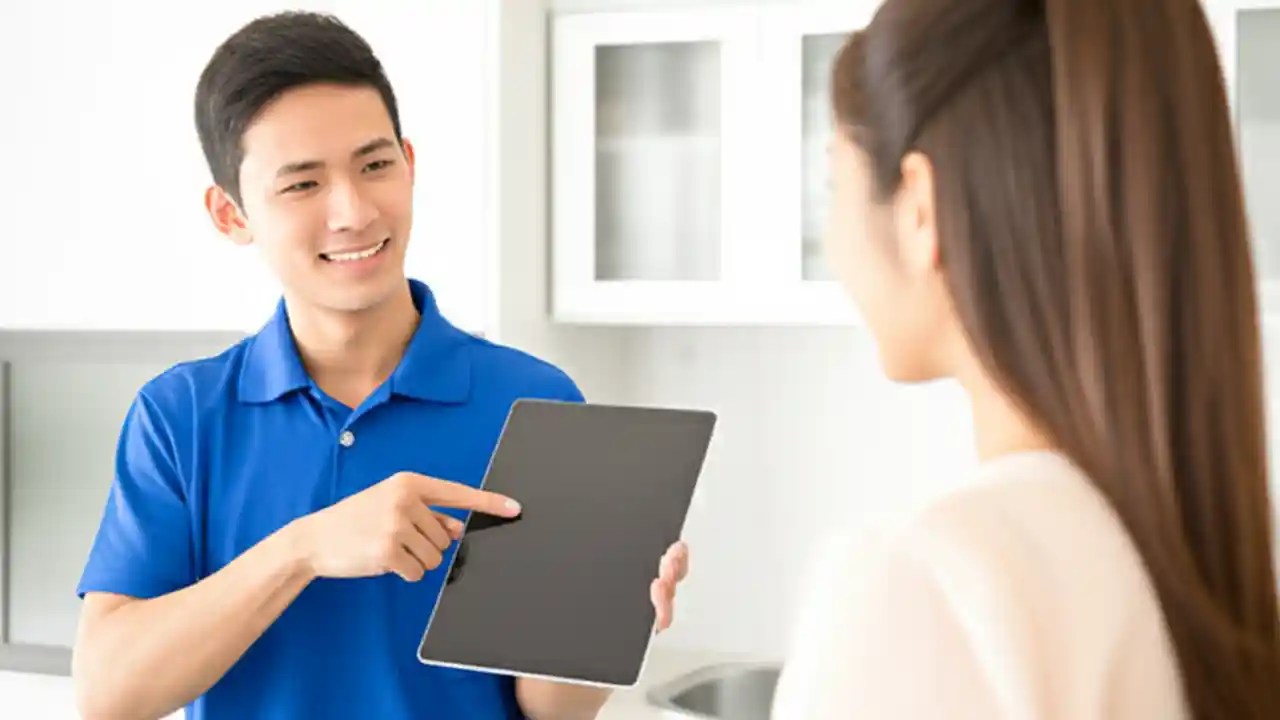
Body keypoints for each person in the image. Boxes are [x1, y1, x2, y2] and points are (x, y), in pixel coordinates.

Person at [69, 12, 688, 720]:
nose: (354, 211)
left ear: (410, 163)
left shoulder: (534, 399)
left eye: (375, 165)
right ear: (231, 214)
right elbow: (108, 696)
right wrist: (303, 549)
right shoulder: (179, 416)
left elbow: (551, 709)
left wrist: (606, 620)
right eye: (303, 185)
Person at [772, 0, 1280, 718]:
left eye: (834, 183)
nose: (832, 238)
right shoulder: (1184, 568)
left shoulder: (921, 583)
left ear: (920, 206)